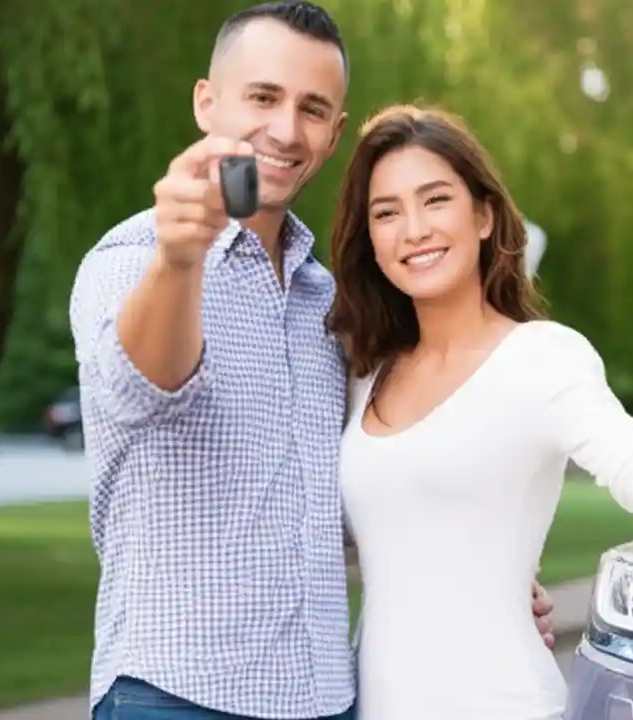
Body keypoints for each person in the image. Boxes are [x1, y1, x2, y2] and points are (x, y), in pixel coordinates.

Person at [68, 3, 555, 719]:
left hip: (325, 697)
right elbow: (145, 387)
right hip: (176, 694)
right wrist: (179, 261)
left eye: (313, 109)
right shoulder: (133, 260)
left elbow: (342, 507)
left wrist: (485, 579)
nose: (286, 129)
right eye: (263, 97)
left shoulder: (331, 303)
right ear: (208, 102)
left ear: (333, 134)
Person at [326, 104, 633, 720]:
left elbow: (629, 456)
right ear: (369, 238)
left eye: (435, 200)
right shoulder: (365, 374)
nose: (413, 229)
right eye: (386, 212)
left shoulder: (541, 357)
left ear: (483, 215)